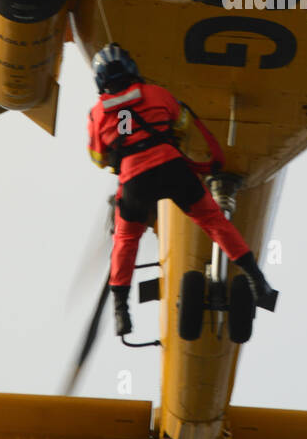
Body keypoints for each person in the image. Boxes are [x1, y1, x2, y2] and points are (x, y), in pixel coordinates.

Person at [87, 44, 278, 336]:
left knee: (125, 240)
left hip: (135, 180)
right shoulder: (157, 94)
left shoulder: (98, 114)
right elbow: (184, 124)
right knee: (214, 222)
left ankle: (121, 310)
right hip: (173, 170)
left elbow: (98, 157)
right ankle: (257, 279)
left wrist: (121, 152)